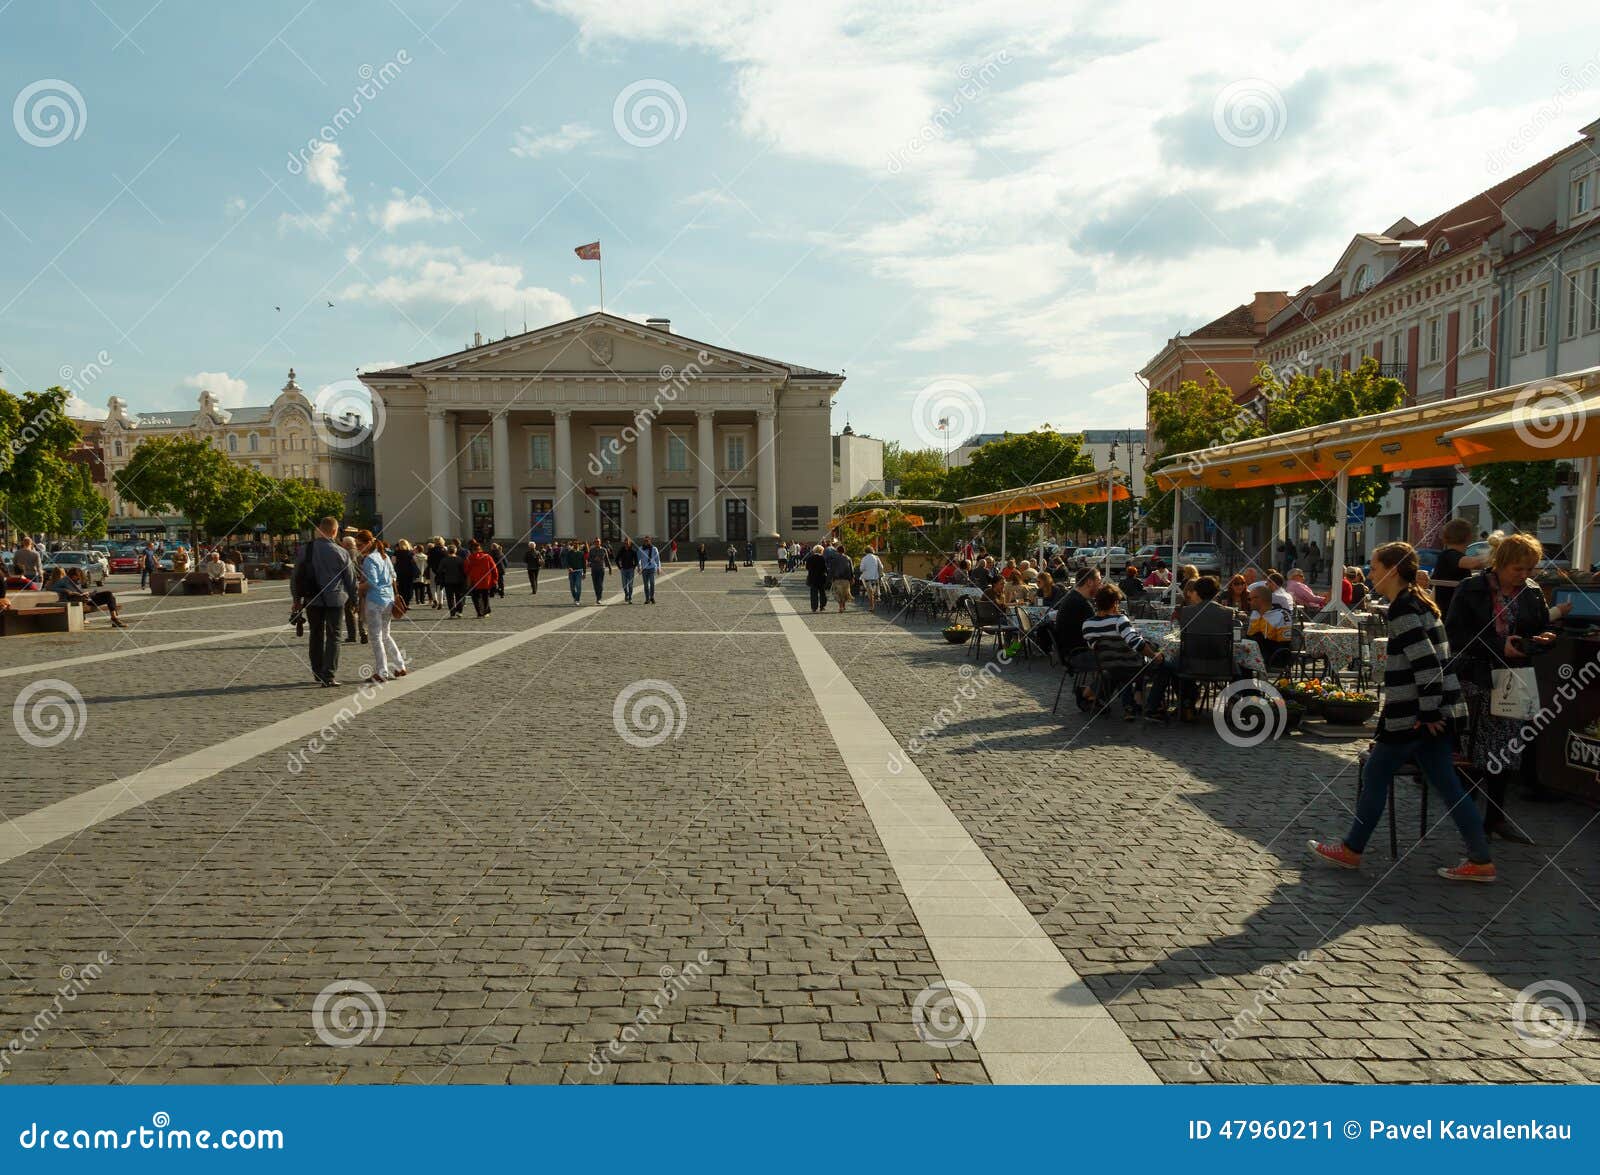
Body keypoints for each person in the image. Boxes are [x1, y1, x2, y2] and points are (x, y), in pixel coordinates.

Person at [1310, 541, 1493, 883]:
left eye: (1376, 567)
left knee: (1377, 775)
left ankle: (1352, 849)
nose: (1371, 574)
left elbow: (1425, 665)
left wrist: (1427, 714)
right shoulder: (1419, 602)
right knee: (1448, 786)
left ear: (1392, 570)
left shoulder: (1403, 609)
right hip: (1433, 712)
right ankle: (1480, 858)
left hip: (1414, 716)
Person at [1445, 532, 1569, 846]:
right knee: (1474, 751)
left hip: (1515, 677)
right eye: (1518, 569)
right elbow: (1456, 637)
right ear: (1499, 563)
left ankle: (1495, 817)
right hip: (1478, 677)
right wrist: (1500, 645)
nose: (1524, 575)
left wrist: (1546, 638)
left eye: (1529, 569)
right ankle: (1469, 817)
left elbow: (1541, 625)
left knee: (1506, 750)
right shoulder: (1471, 588)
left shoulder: (1530, 591)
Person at [1081, 583, 1162, 721]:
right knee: (1159, 662)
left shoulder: (1087, 624)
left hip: (1106, 666)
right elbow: (1136, 643)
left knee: (1119, 668)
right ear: (1115, 603)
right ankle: (1148, 704)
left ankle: (1129, 704)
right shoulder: (1120, 620)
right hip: (1132, 666)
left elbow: (1093, 646)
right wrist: (1154, 655)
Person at [292, 516, 357, 687]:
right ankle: (328, 675)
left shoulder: (306, 550)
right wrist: (355, 601)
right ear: (335, 531)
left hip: (312, 599)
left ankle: (317, 672)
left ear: (319, 529)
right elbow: (350, 580)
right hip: (335, 599)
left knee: (315, 635)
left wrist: (296, 600)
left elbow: (296, 577)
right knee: (334, 636)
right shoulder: (341, 552)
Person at [356, 531, 406, 682]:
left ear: (368, 543)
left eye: (360, 545)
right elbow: (394, 577)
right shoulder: (384, 556)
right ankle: (400, 666)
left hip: (375, 601)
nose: (358, 548)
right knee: (386, 635)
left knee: (376, 637)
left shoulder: (369, 559)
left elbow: (372, 582)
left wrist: (359, 587)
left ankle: (381, 671)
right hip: (388, 600)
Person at [1431, 517, 1489, 618]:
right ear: (1468, 537)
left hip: (1451, 612)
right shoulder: (1449, 555)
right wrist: (1497, 557)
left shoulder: (1447, 555)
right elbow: (1473, 564)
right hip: (1450, 614)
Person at [48, 567, 127, 628]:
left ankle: (114, 618)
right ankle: (115, 620)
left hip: (85, 598)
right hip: (78, 600)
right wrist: (66, 590)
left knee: (109, 595)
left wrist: (88, 593)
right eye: (77, 577)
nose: (78, 579)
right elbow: (51, 588)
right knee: (108, 596)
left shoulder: (74, 581)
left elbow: (79, 591)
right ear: (73, 576)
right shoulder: (64, 580)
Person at [1246, 581, 1292, 666]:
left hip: (1274, 657)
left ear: (1261, 600)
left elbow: (1283, 645)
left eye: (1250, 599)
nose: (1249, 602)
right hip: (1254, 656)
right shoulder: (1254, 613)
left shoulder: (1282, 615)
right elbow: (1249, 638)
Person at [340, 535, 367, 643]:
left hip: (352, 583)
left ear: (346, 544)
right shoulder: (360, 553)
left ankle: (352, 635)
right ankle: (363, 632)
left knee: (349, 610)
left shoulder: (346, 554)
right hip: (363, 582)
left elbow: (348, 571)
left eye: (343, 543)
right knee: (361, 609)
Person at [463, 538, 497, 617]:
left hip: (474, 581)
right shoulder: (487, 557)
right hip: (486, 581)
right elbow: (494, 569)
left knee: (475, 598)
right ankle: (486, 611)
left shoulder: (469, 558)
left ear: (473, 550)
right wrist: (494, 580)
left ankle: (479, 612)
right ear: (480, 549)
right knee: (485, 596)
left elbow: (466, 570)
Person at [436, 541, 468, 617]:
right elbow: (463, 571)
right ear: (455, 551)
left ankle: (452, 612)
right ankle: (459, 611)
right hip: (459, 581)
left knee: (450, 598)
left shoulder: (444, 560)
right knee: (458, 596)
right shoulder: (460, 559)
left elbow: (439, 570)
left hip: (448, 581)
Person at [825, 543, 854, 613]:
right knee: (845, 593)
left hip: (836, 579)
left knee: (838, 594)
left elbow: (831, 569)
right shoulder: (848, 558)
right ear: (844, 551)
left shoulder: (834, 559)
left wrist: (829, 579)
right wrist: (852, 578)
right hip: (846, 579)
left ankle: (840, 606)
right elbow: (851, 569)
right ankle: (843, 606)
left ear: (837, 551)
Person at [804, 544, 830, 613]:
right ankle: (822, 606)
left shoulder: (810, 558)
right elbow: (825, 568)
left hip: (812, 578)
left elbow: (807, 567)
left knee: (813, 593)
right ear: (821, 551)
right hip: (821, 578)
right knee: (822, 593)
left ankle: (814, 607)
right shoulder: (823, 558)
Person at [563, 540, 588, 605]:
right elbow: (566, 562)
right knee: (572, 587)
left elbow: (584, 563)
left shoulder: (581, 553)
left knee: (578, 586)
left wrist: (584, 573)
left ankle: (577, 600)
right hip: (571, 572)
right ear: (572, 545)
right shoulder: (569, 553)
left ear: (578, 545)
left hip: (579, 571)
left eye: (577, 544)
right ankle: (575, 597)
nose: (576, 545)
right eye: (574, 544)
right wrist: (569, 567)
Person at [638, 536, 662, 604]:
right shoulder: (640, 549)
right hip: (644, 569)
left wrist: (658, 568)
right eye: (645, 541)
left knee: (652, 583)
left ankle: (652, 597)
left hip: (652, 568)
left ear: (650, 541)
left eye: (647, 541)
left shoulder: (654, 549)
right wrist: (639, 567)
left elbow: (657, 559)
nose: (646, 542)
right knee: (646, 585)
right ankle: (647, 599)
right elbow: (639, 559)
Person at [616, 537, 640, 603]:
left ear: (629, 543)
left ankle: (630, 597)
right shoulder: (621, 550)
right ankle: (626, 594)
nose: (626, 544)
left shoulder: (633, 550)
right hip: (623, 569)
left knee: (630, 585)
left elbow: (636, 560)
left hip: (630, 569)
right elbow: (616, 559)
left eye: (627, 543)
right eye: (625, 543)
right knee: (624, 585)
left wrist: (634, 566)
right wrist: (619, 567)